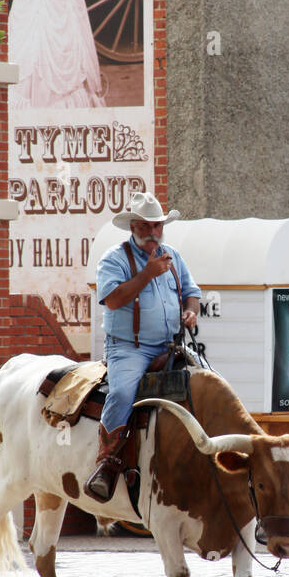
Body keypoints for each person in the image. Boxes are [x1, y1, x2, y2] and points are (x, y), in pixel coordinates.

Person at [84, 192, 201, 503]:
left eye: (158, 226)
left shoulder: (172, 256)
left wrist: (191, 311)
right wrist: (148, 274)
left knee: (208, 383)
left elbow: (192, 293)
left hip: (170, 344)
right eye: (147, 226)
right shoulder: (115, 259)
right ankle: (106, 463)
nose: (154, 232)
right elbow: (113, 300)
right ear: (133, 226)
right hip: (129, 349)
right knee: (122, 392)